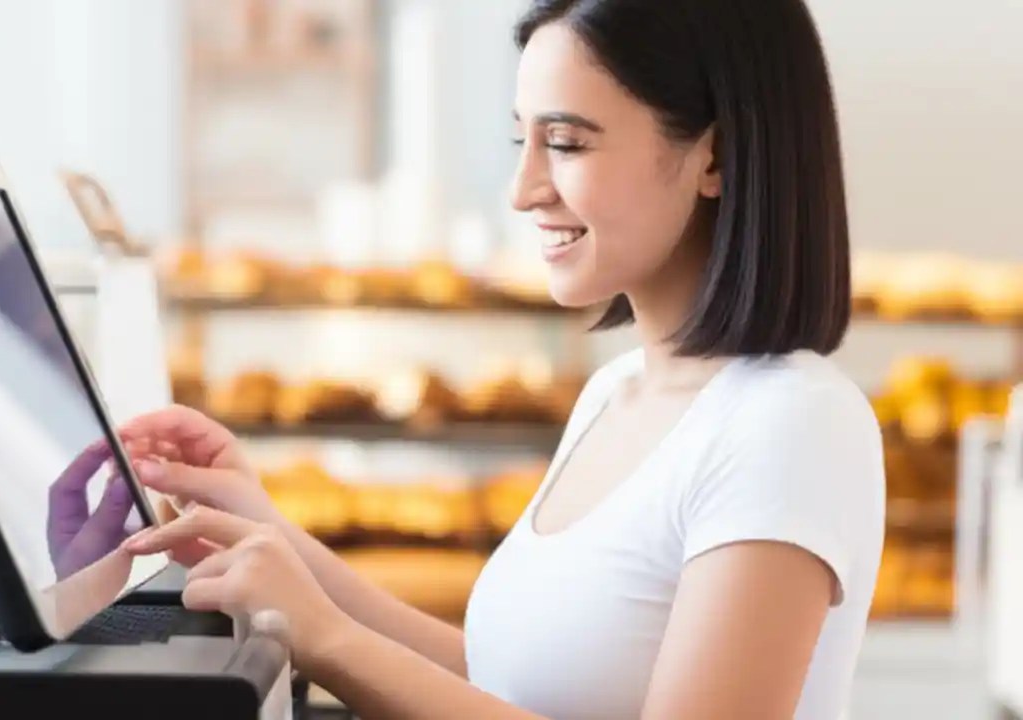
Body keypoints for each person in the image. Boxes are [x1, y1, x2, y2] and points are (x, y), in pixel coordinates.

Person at [119, 0, 886, 717]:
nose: (523, 190)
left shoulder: (790, 421)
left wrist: (325, 638)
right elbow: (501, 685)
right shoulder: (616, 393)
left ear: (714, 154)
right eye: (524, 140)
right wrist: (271, 537)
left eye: (567, 143)